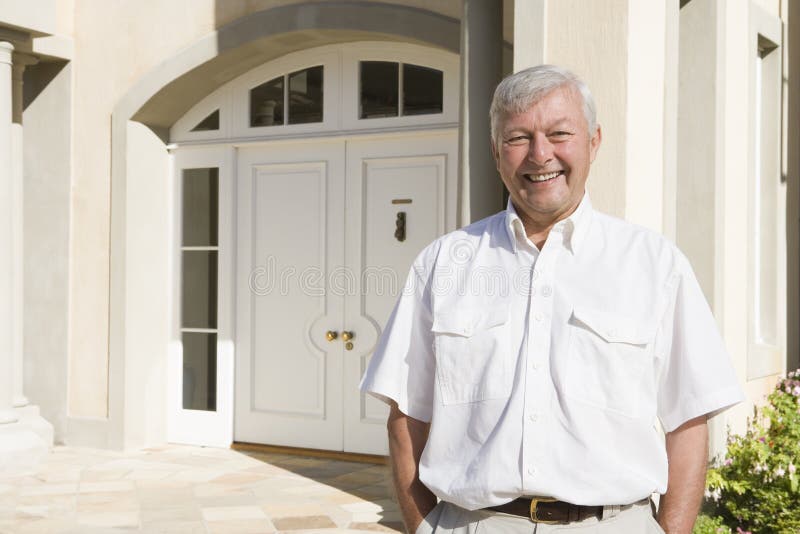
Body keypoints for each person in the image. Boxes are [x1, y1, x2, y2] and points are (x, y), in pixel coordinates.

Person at [360, 65, 743, 533]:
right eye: (518, 137)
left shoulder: (656, 265)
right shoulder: (442, 263)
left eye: (559, 133)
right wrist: (425, 529)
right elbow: (406, 416)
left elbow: (688, 423)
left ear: (594, 142)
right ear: (496, 151)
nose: (540, 155)